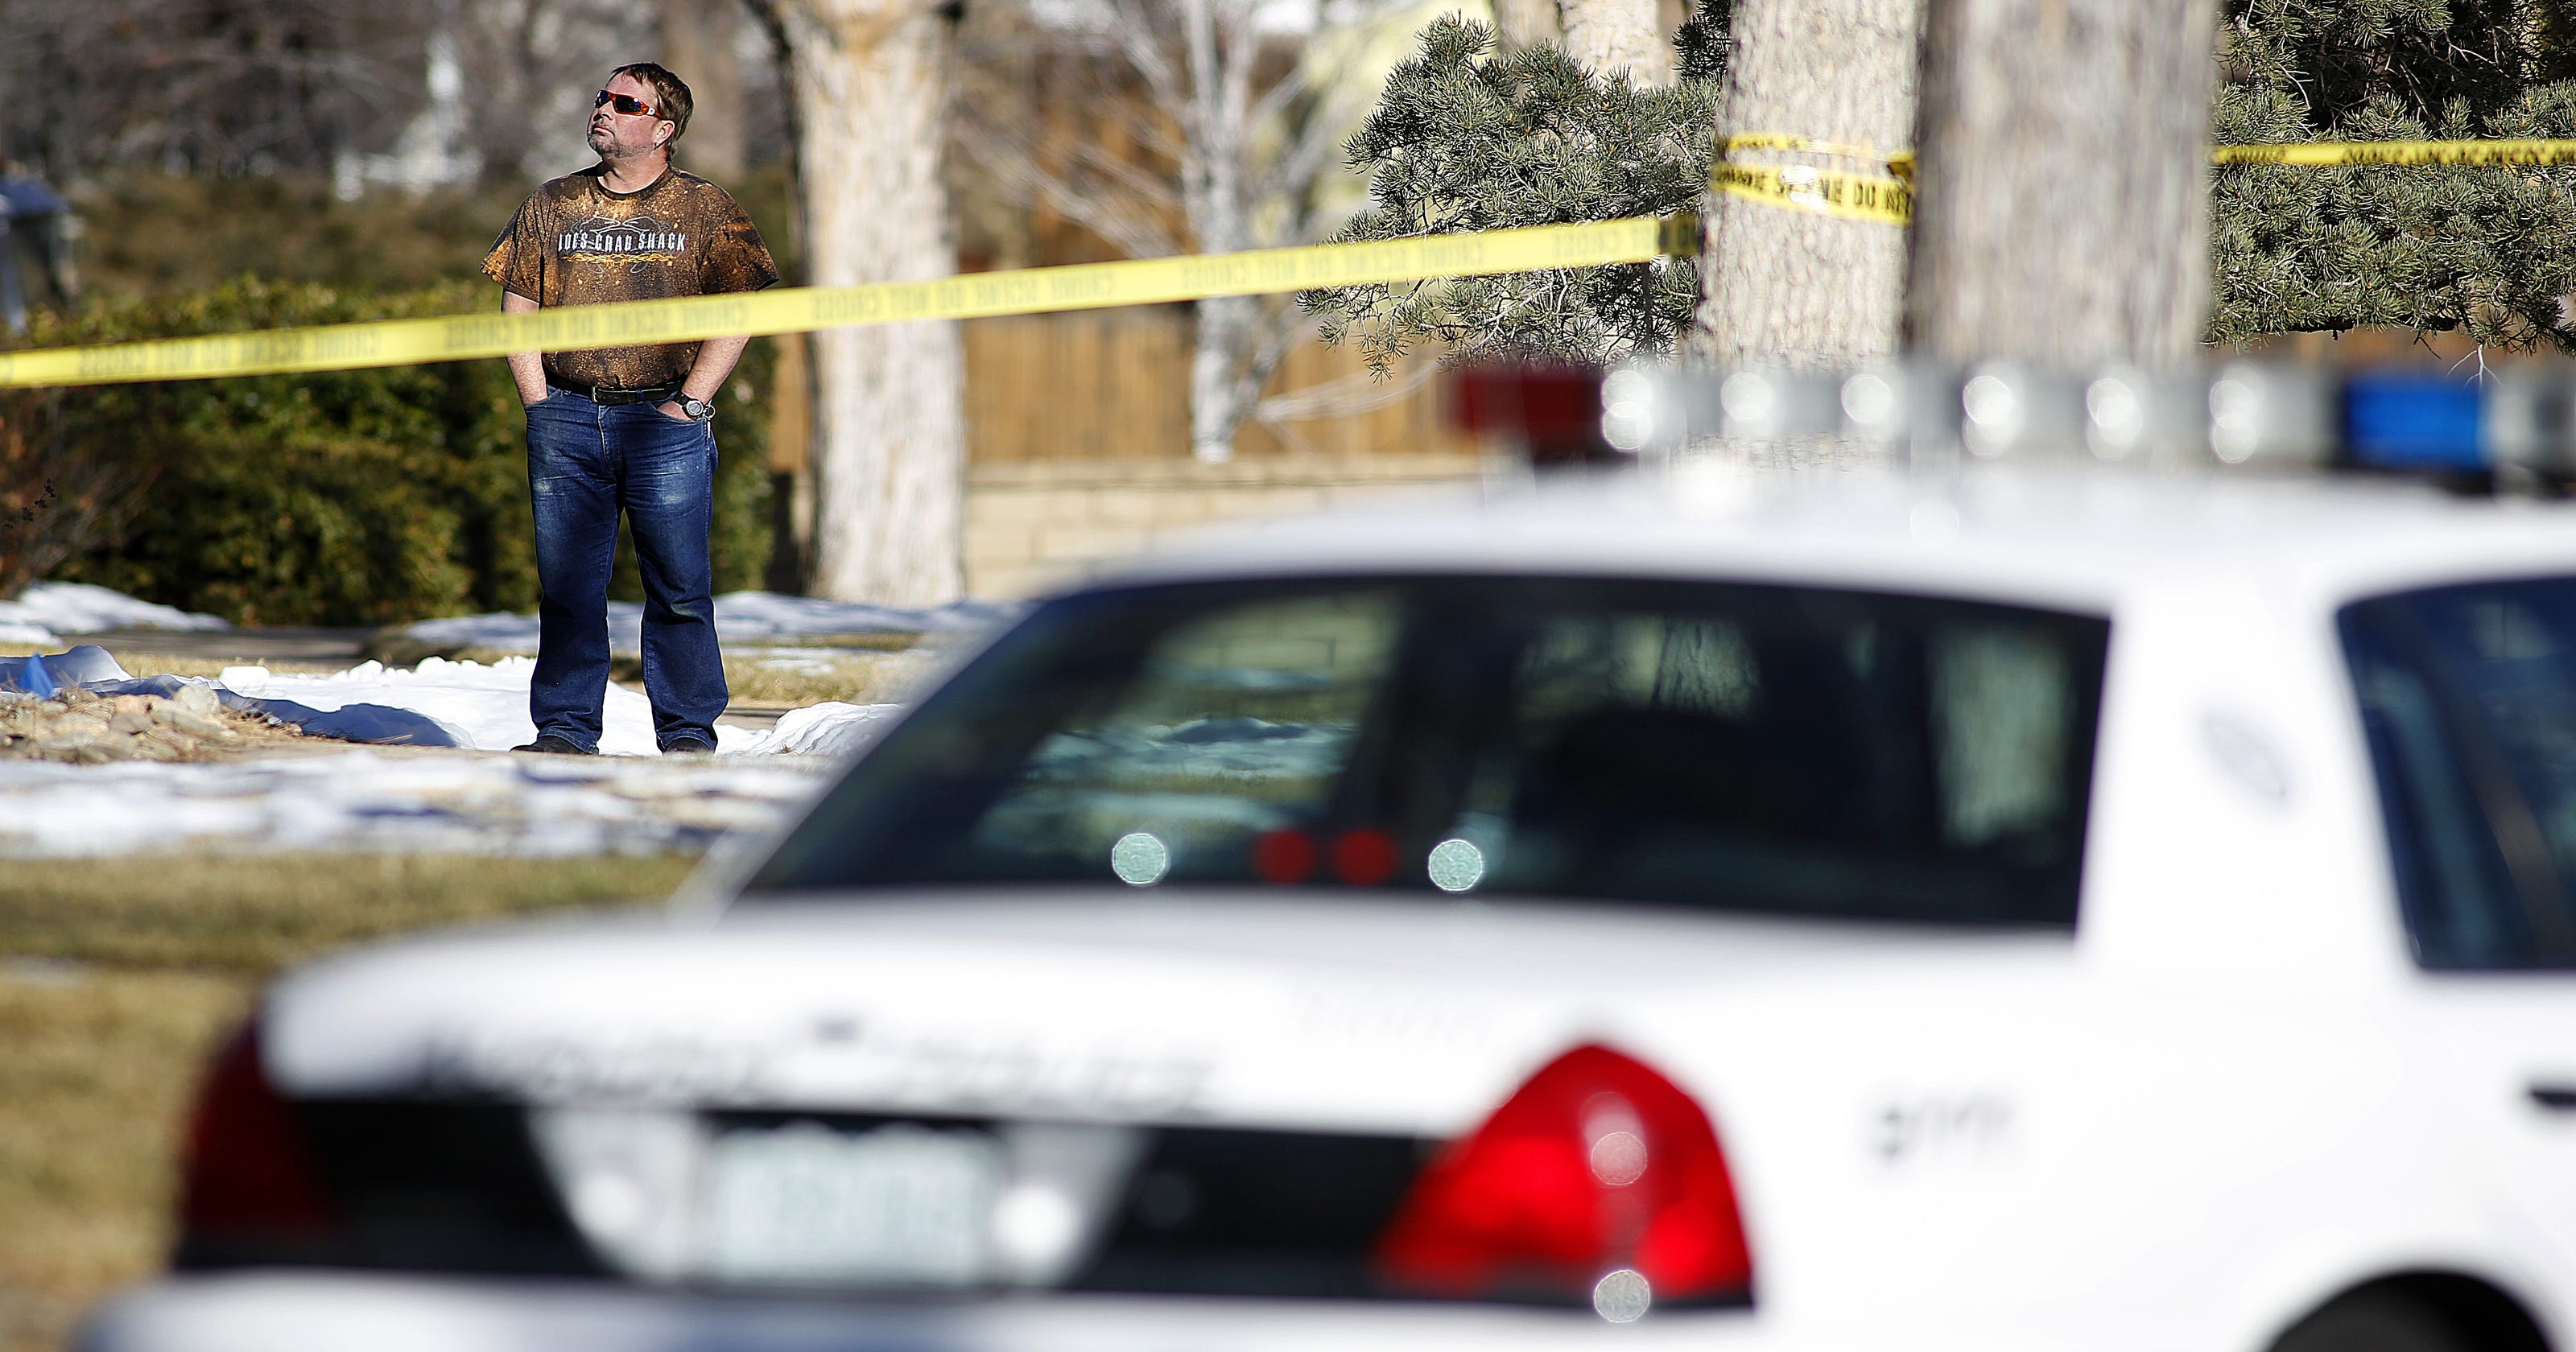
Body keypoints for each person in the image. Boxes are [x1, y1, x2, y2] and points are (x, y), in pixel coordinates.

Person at [481, 61, 778, 756]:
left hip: (665, 422)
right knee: (568, 589)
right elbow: (518, 306)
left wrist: (692, 402)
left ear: (664, 129)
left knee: (679, 587)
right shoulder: (553, 202)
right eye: (602, 98)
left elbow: (738, 311)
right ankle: (565, 729)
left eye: (624, 103)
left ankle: (687, 734)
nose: (603, 110)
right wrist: (539, 402)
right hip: (568, 417)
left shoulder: (706, 207)